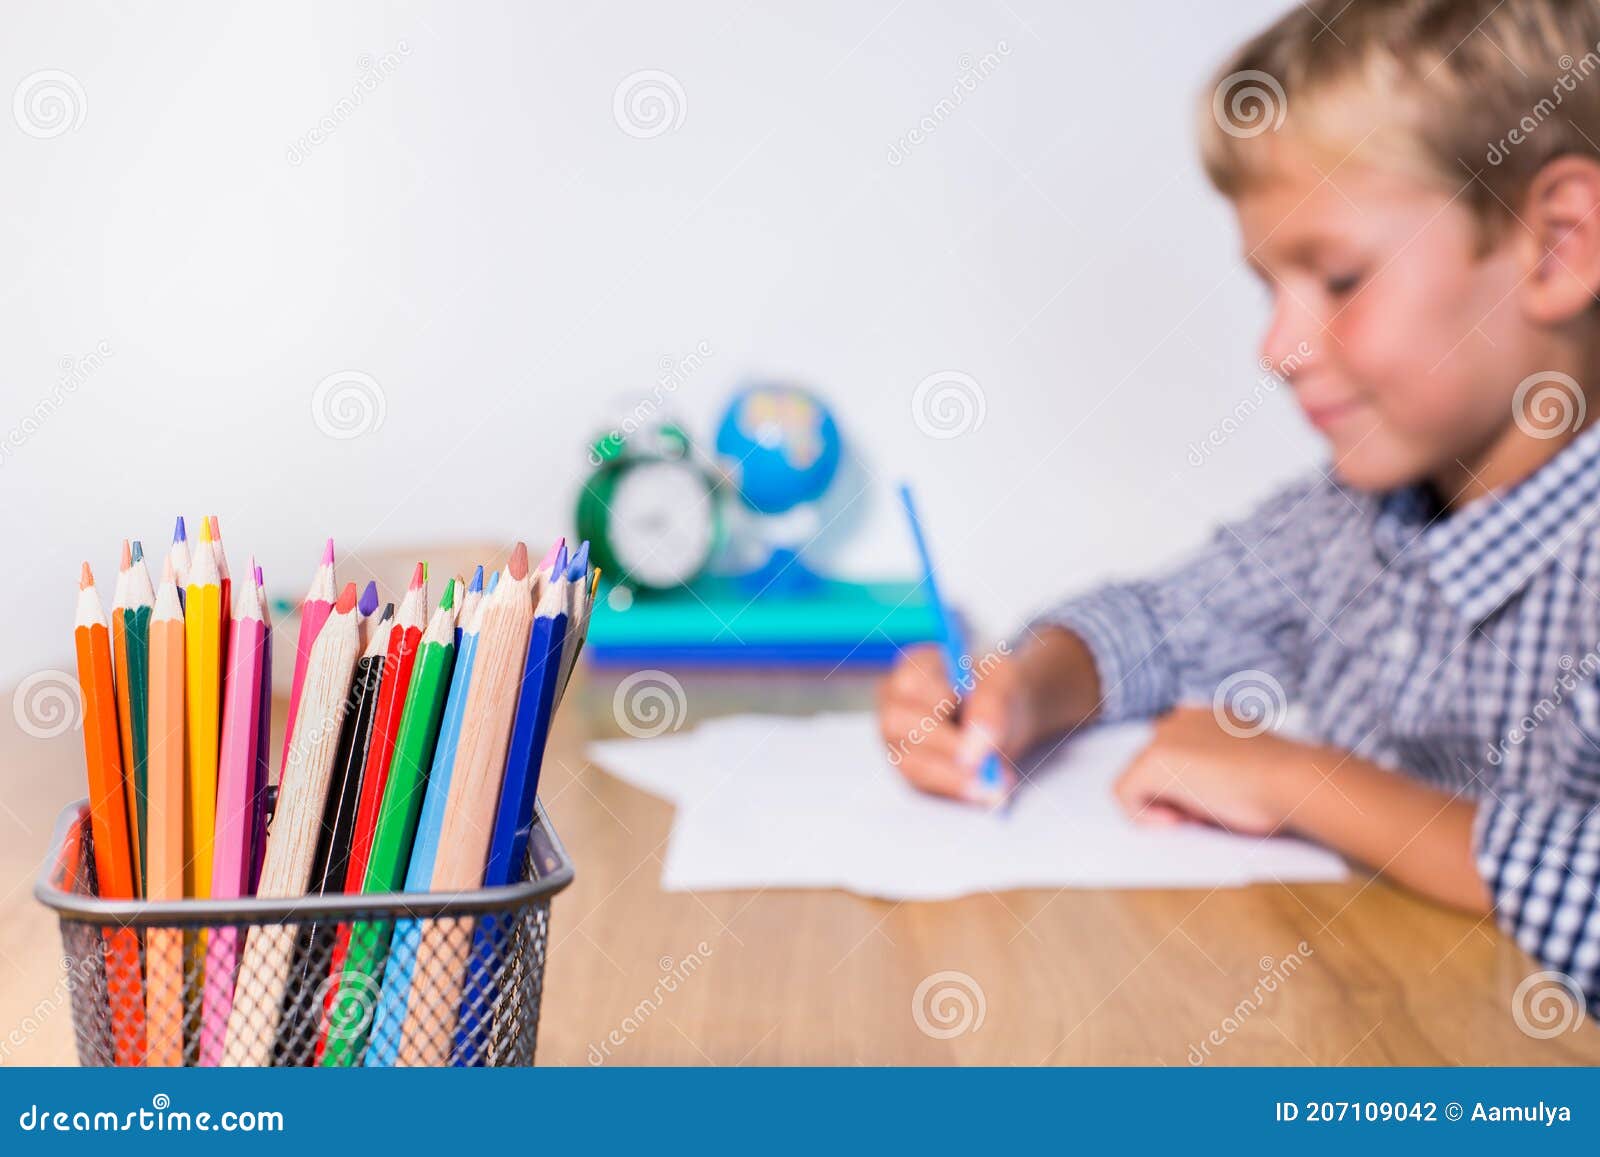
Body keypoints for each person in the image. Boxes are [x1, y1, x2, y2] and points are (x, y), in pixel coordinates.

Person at [879, 0, 1600, 1017]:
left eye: (1338, 277)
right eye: (1270, 288)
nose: (1278, 346)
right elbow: (1157, 623)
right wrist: (1020, 689)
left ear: (1556, 243)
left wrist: (1306, 783)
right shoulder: (1345, 521)